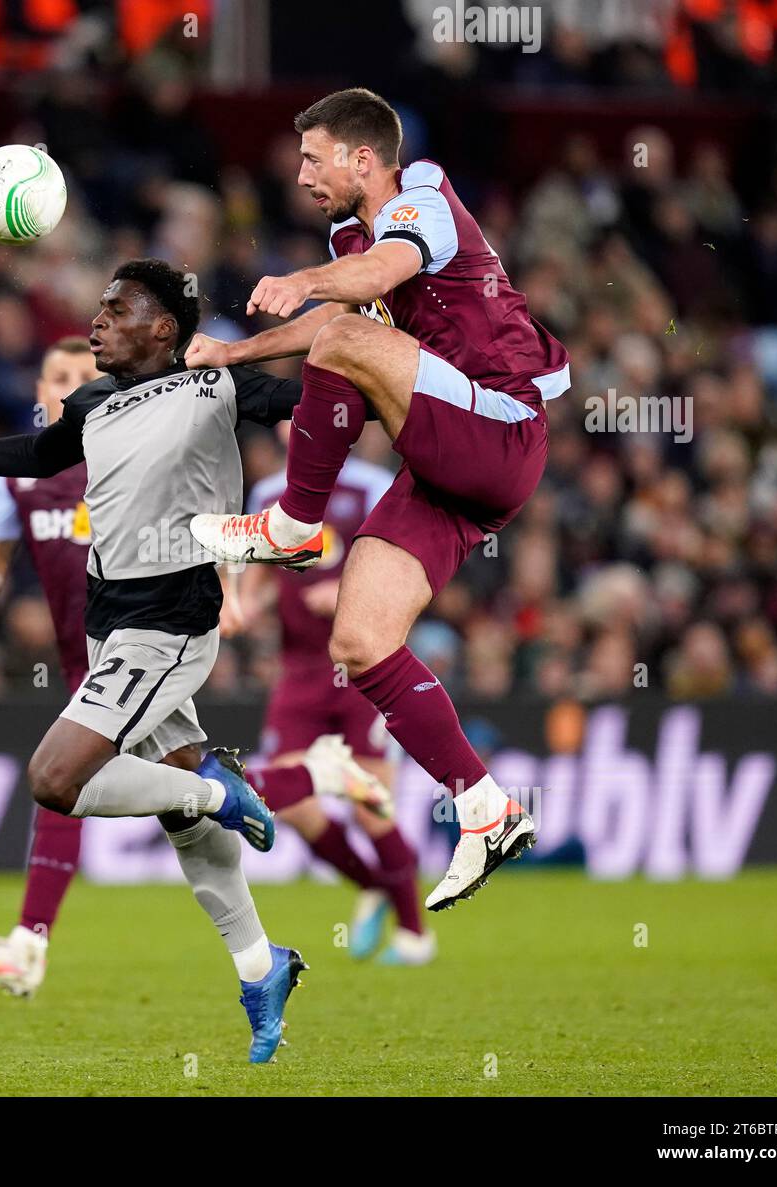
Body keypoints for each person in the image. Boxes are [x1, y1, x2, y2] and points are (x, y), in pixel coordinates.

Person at [0, 258, 345, 1062]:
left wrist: (390, 362)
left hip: (170, 624)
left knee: (55, 779)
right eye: (98, 306)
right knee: (183, 823)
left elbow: (327, 399)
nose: (97, 320)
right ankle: (262, 967)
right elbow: (38, 455)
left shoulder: (219, 380)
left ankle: (217, 789)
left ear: (164, 327)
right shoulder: (91, 400)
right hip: (109, 625)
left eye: (117, 308)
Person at [187, 88, 570, 911]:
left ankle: (293, 524)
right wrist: (232, 352)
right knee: (360, 640)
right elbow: (335, 312)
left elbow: (371, 283)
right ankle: (484, 806)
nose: (300, 175)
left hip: (500, 427)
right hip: (449, 469)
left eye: (311, 158)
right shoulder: (349, 237)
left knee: (345, 337)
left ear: (364, 159)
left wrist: (299, 281)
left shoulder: (424, 199)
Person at [0, 336, 97, 998]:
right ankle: (296, 777)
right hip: (81, 664)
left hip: (149, 650)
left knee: (58, 777)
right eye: (56, 375)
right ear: (39, 391)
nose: (67, 386)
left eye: (85, 376)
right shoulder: (21, 475)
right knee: (191, 810)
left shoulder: (140, 451)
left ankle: (29, 943)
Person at [243, 439, 435, 965]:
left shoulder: (372, 488)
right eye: (286, 414)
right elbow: (256, 574)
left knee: (371, 807)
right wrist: (241, 605)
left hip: (365, 664)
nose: (294, 423)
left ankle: (415, 935)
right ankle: (373, 885)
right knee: (292, 804)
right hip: (299, 672)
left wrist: (349, 592)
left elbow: (405, 567)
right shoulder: (267, 494)